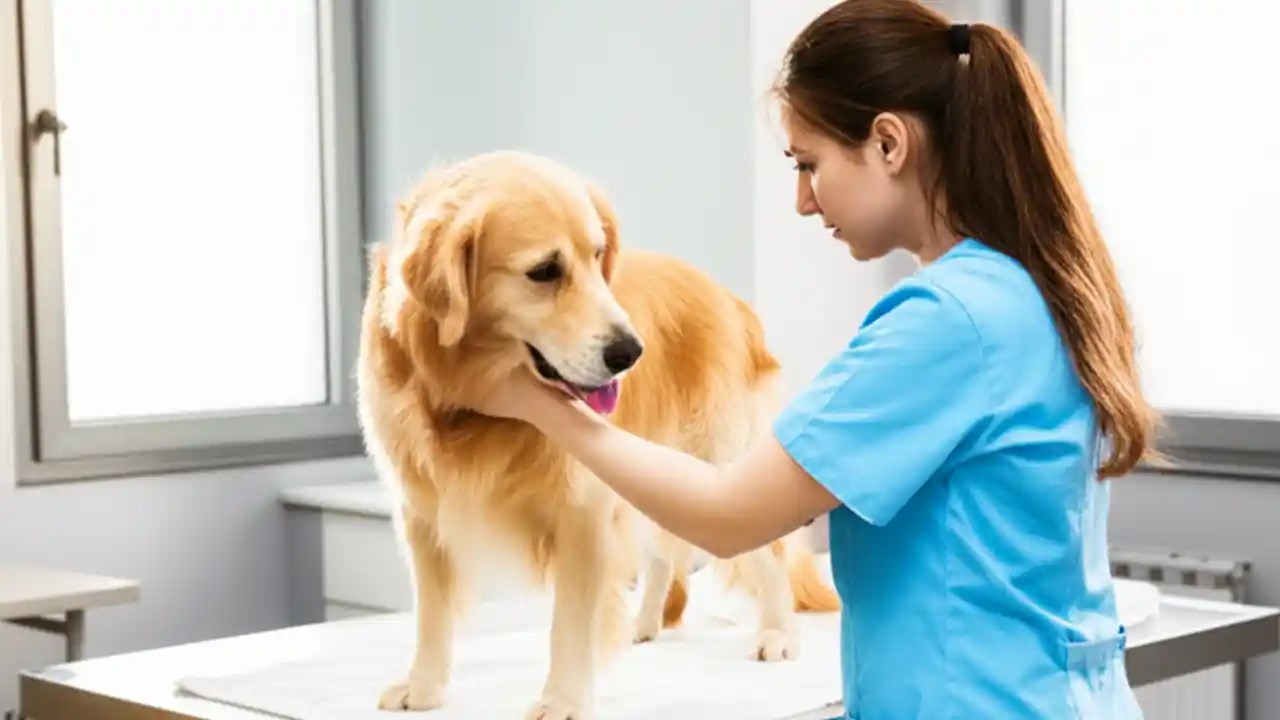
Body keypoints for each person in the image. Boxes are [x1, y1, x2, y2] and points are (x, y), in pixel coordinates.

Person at [475, 0, 1159, 717]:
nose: (803, 200)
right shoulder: (1039, 292)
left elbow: (727, 515)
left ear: (889, 145)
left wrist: (533, 403)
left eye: (809, 164)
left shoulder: (947, 325)